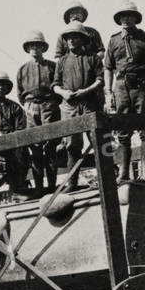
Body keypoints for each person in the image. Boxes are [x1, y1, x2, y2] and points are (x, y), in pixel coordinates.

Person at [104, 0, 145, 180]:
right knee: (122, 131)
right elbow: (108, 67)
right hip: (121, 86)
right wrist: (108, 92)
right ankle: (124, 172)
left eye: (129, 15)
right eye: (122, 16)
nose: (126, 19)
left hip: (141, 86)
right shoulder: (113, 41)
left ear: (135, 18)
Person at [53, 21, 105, 189]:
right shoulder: (61, 61)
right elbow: (55, 84)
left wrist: (86, 91)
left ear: (83, 39)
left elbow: (100, 79)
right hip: (69, 105)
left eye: (75, 37)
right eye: (68, 38)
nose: (71, 41)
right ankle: (72, 183)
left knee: (98, 141)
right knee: (72, 145)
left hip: (90, 103)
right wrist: (64, 93)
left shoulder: (93, 58)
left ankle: (105, 179)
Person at [16, 31, 60, 183]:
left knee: (51, 146)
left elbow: (58, 87)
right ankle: (39, 187)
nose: (35, 48)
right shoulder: (22, 69)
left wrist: (51, 104)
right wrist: (30, 106)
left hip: (49, 106)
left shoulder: (52, 66)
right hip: (31, 108)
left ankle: (52, 185)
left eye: (38, 45)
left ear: (43, 47)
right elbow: (20, 94)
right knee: (35, 147)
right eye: (31, 46)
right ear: (28, 49)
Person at [0, 72, 29, 215]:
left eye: (4, 85)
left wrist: (10, 139)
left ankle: (17, 208)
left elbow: (20, 129)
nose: (1, 88)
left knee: (17, 176)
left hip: (13, 148)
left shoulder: (14, 107)